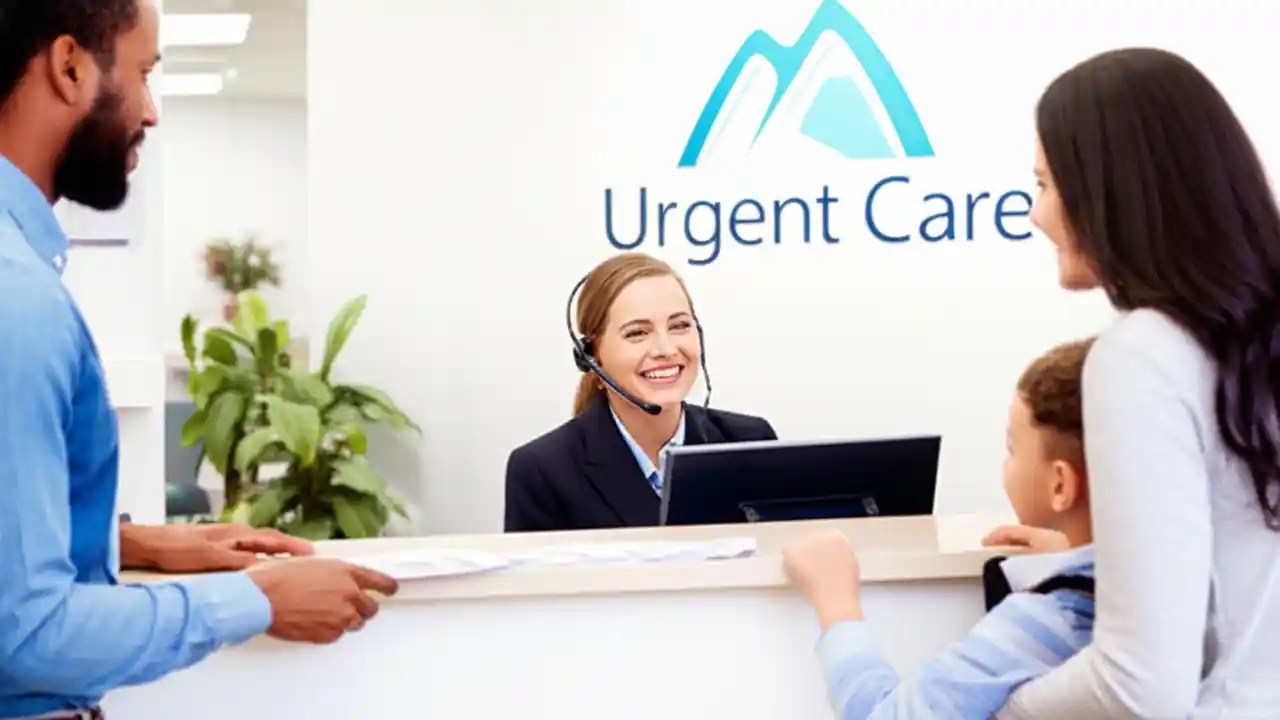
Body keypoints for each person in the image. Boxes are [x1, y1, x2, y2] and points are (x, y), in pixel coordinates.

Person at [0, 3, 398, 718]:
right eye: (143, 74)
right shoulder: (16, 298)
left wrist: (131, 544)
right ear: (69, 66)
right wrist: (253, 599)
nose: (150, 113)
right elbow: (22, 633)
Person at [994, 47, 1280, 718]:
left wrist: (1002, 712)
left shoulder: (1145, 354)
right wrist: (1096, 565)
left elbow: (1138, 685)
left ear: (1106, 190)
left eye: (1044, 185)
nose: (1036, 215)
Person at [783, 337, 1096, 719]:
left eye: (1012, 447)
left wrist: (836, 603)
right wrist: (1075, 552)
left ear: (1060, 485)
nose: (1007, 461)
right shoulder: (1155, 597)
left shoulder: (1049, 622)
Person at [504, 252, 776, 531]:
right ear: (592, 356)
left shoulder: (751, 443)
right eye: (637, 333)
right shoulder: (542, 471)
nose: (666, 349)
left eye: (679, 325)